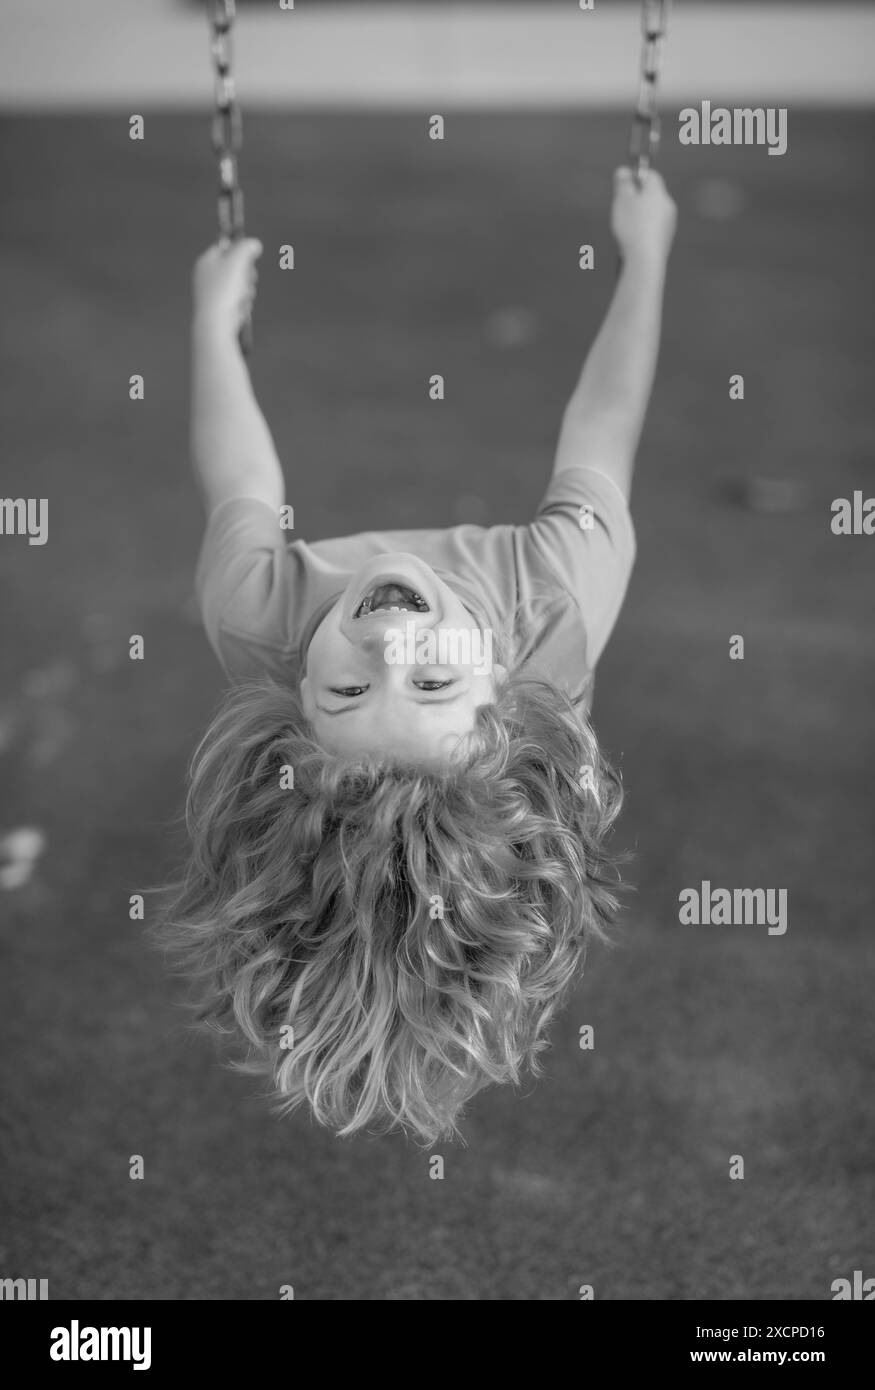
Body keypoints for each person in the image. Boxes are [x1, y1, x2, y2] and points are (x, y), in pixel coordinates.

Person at [159, 167, 677, 1144]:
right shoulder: (551, 598)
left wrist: (209, 319)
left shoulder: (258, 616)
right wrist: (644, 252)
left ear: (295, 702)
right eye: (430, 675)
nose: (391, 635)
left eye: (353, 686)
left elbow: (240, 472)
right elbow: (601, 430)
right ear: (497, 695)